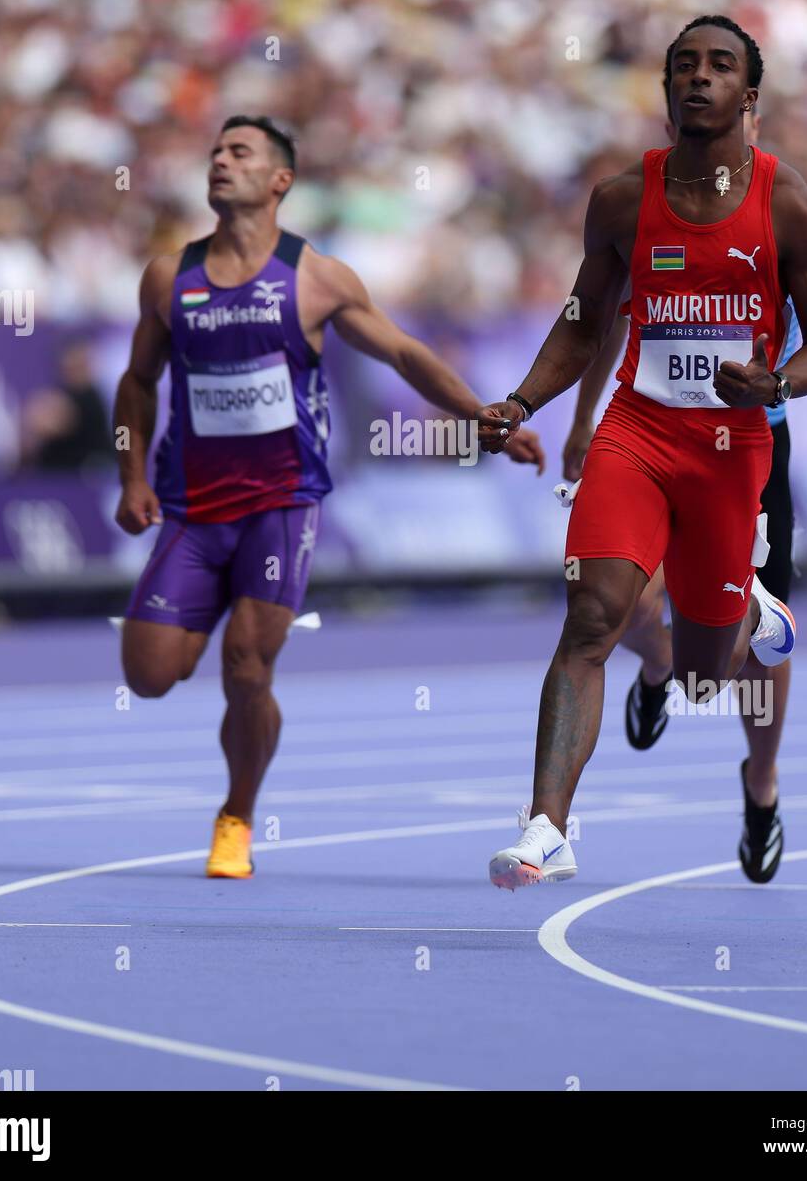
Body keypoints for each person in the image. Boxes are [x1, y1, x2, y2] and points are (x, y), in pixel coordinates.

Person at [113, 114, 544, 879]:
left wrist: (484, 414)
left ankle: (237, 813)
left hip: (283, 506)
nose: (219, 160)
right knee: (148, 675)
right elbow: (136, 382)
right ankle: (222, 689)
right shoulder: (166, 278)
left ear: (280, 180)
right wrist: (132, 476)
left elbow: (406, 352)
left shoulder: (316, 277)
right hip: (192, 510)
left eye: (238, 153)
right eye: (214, 151)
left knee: (247, 665)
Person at [476, 15, 807, 890]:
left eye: (719, 67)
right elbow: (580, 326)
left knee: (708, 680)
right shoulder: (618, 201)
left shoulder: (789, 205)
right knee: (592, 615)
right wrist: (524, 399)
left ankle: (751, 614)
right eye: (683, 65)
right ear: (665, 88)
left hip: (731, 451)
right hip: (636, 433)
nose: (698, 78)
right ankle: (545, 829)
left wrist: (777, 383)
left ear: (747, 97)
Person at [561, 103, 807, 883]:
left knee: (753, 652)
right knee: (617, 604)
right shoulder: (648, 208)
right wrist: (579, 421)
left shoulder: (788, 212)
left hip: (747, 452)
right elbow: (601, 324)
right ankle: (661, 665)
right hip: (644, 435)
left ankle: (760, 782)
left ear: (754, 122)